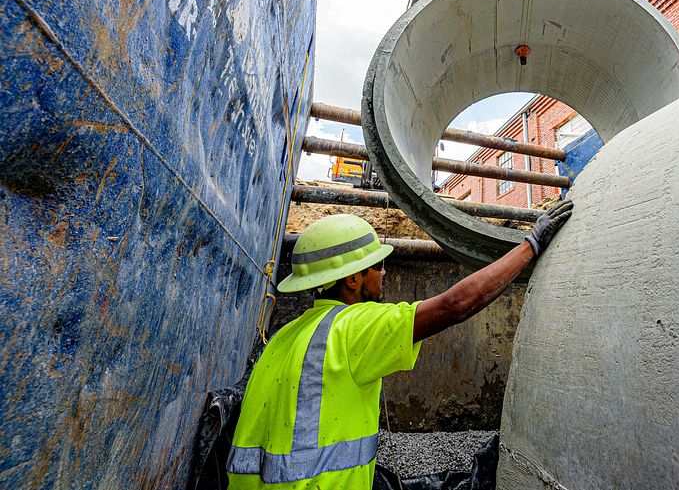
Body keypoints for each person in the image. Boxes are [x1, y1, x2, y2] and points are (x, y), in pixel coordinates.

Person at [227, 199, 573, 489]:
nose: (385, 273)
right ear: (352, 279)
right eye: (377, 266)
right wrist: (531, 244)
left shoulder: (285, 335)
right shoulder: (354, 326)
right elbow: (454, 306)